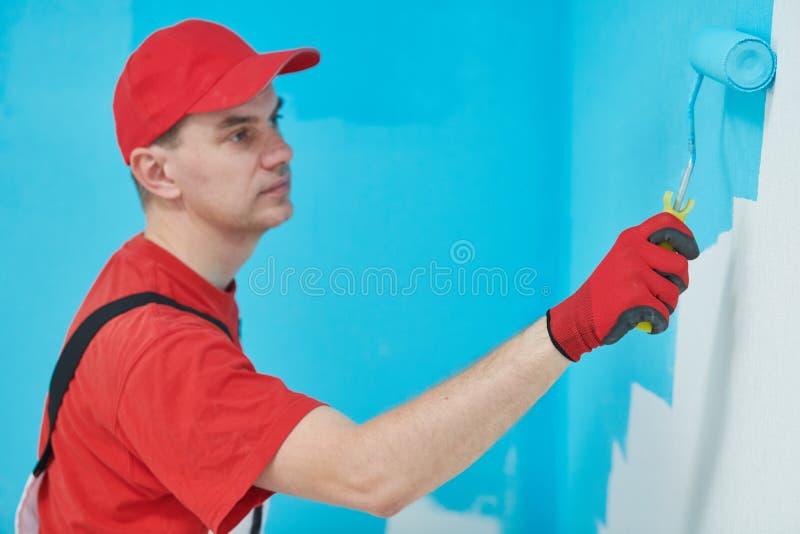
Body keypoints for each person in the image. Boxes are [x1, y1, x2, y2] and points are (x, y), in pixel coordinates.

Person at [18, 18, 700, 534]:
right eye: (238, 134)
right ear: (156, 172)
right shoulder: (158, 349)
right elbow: (369, 475)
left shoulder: (159, 279)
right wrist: (573, 325)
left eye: (272, 121)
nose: (281, 151)